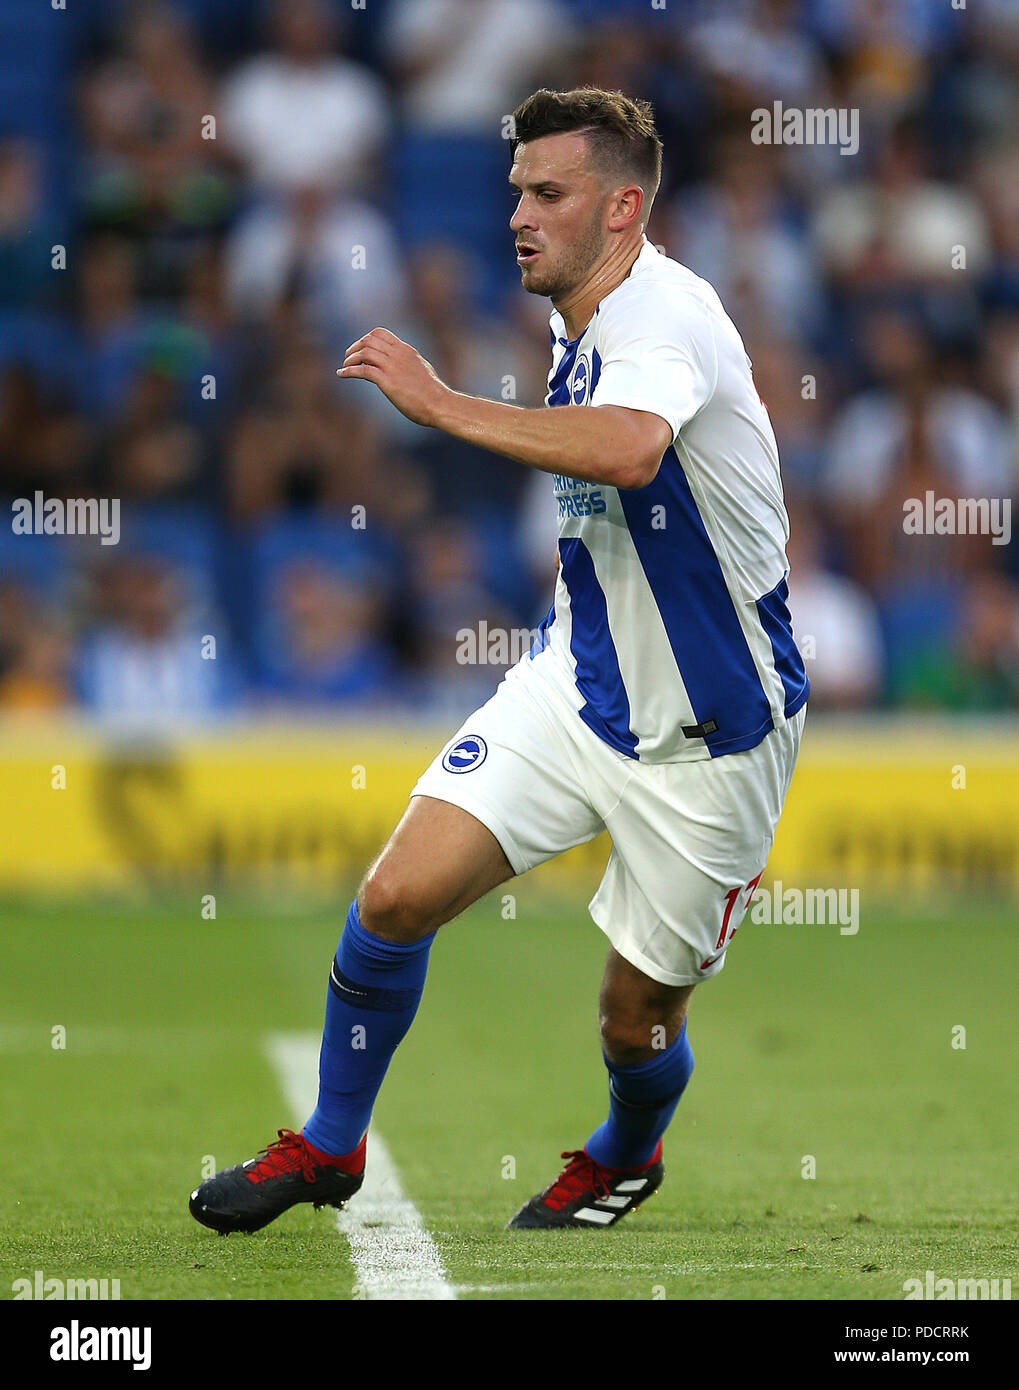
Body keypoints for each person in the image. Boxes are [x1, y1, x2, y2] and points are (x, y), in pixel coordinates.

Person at [190, 87, 809, 1234]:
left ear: (622, 208)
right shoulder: (578, 320)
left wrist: (439, 402)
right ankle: (330, 1145)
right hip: (578, 683)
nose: (516, 213)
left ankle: (629, 1147)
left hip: (710, 733)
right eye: (515, 189)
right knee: (392, 897)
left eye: (547, 193)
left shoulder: (663, 317)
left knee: (634, 1024)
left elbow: (629, 452)